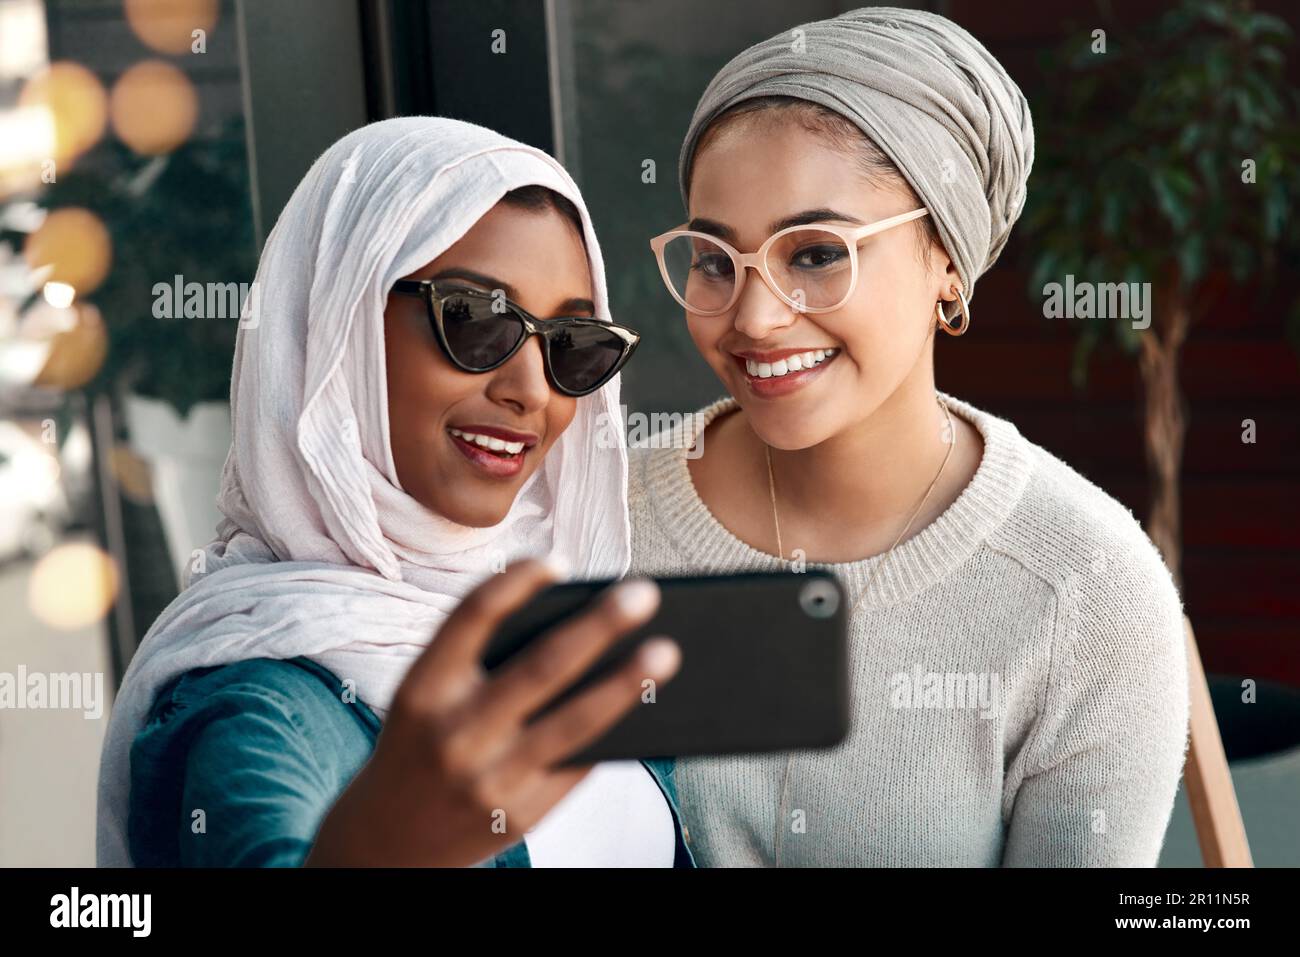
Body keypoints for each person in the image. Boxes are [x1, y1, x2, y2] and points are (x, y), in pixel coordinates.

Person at [629, 7, 1190, 866]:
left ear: (948, 263)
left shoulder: (1084, 590)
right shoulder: (599, 519)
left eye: (815, 253)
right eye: (715, 259)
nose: (754, 317)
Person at [97, 116, 692, 868]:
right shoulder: (258, 712)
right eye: (475, 320)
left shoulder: (560, 632)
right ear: (338, 327)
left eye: (573, 345)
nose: (530, 389)